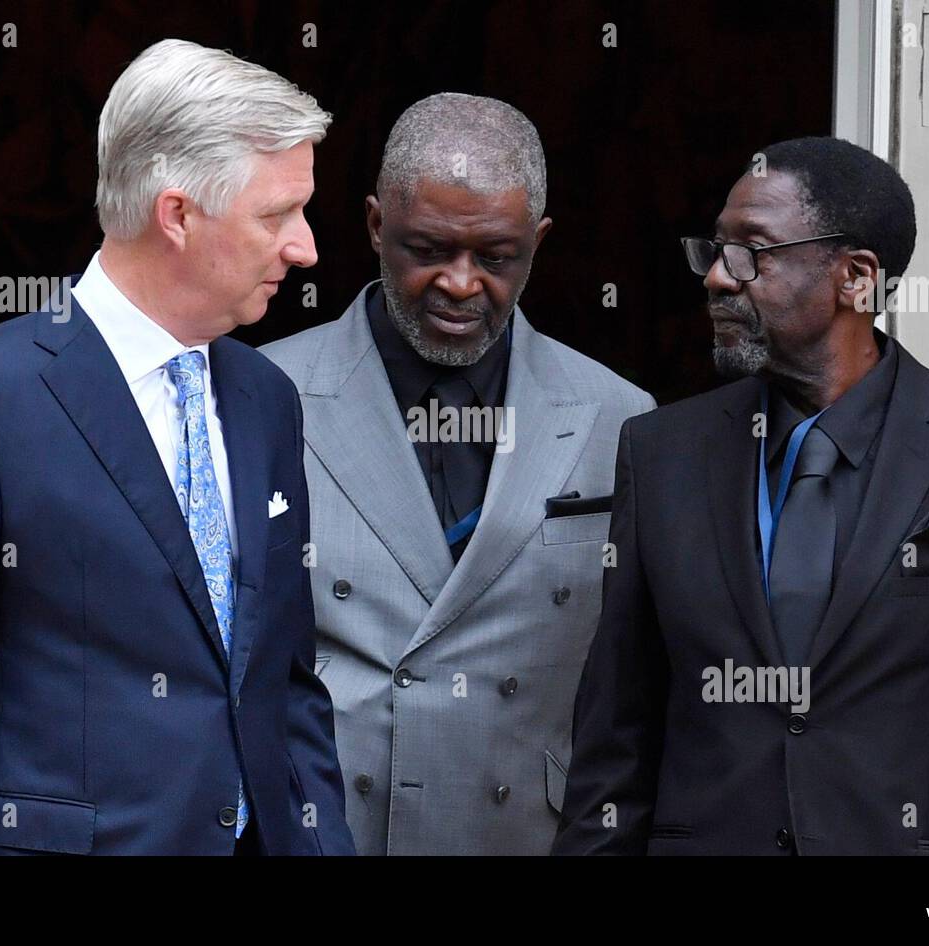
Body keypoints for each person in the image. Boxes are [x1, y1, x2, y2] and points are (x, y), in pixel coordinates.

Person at [0, 38, 354, 855]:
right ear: (178, 214)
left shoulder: (267, 399)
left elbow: (286, 687)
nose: (305, 249)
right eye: (277, 214)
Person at [553, 136, 929, 855]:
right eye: (716, 248)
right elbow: (613, 741)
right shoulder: (661, 454)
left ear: (855, 278)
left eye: (753, 250)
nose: (719, 278)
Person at [262, 93, 655, 854]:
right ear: (376, 226)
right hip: (320, 826)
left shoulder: (618, 415)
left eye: (497, 257)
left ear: (539, 241)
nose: (462, 283)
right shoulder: (261, 394)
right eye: (429, 249)